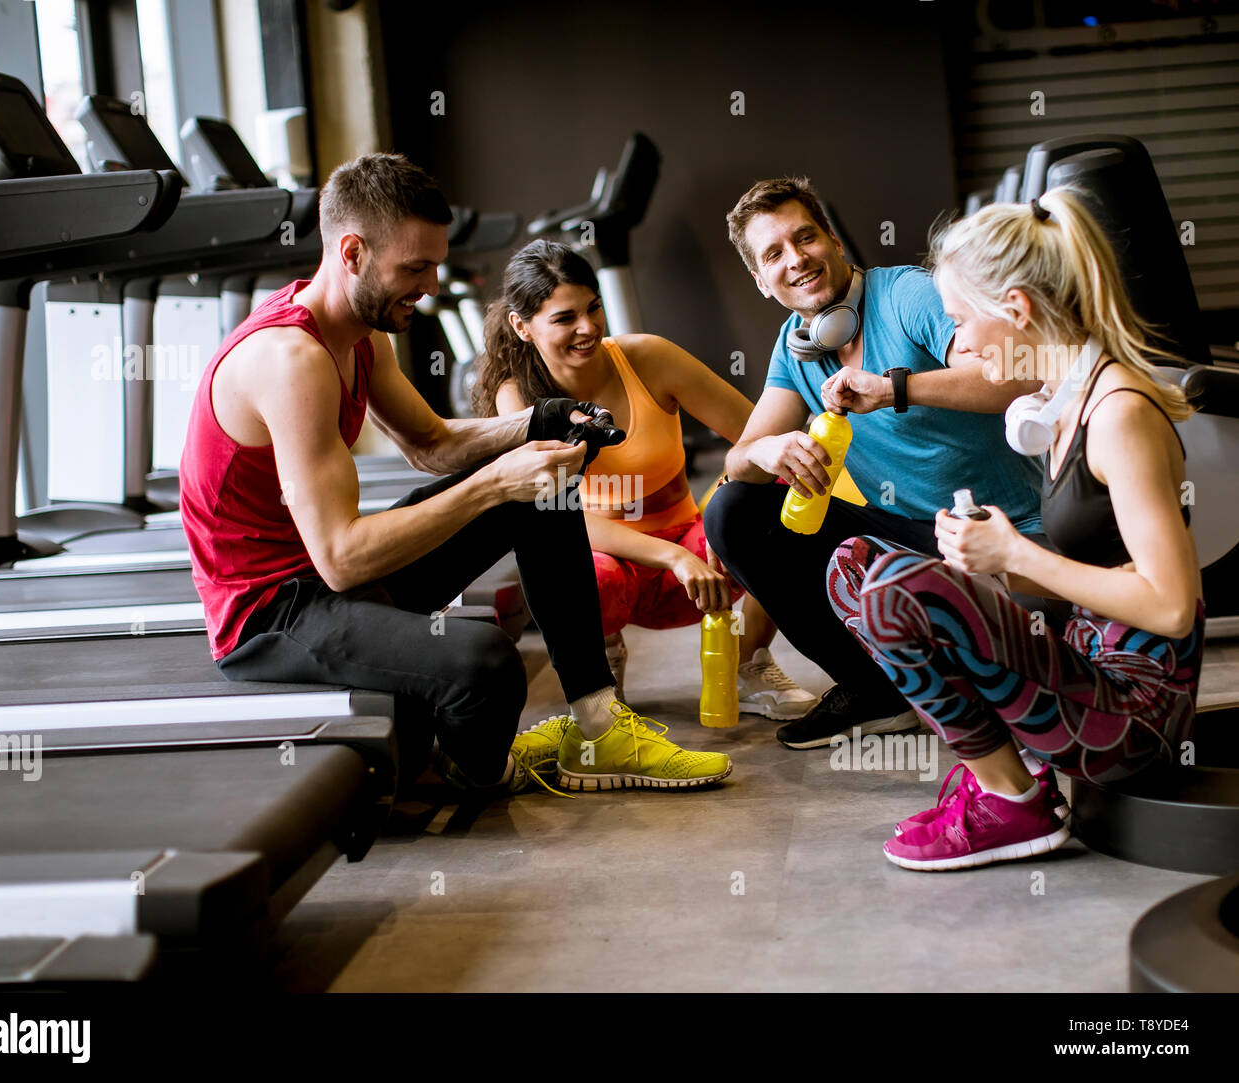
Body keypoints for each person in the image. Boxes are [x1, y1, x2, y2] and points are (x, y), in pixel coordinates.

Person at [180, 153, 731, 796]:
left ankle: (597, 724)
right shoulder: (290, 359)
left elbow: (433, 444)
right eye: (415, 268)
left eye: (434, 264)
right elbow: (342, 560)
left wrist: (539, 422)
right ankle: (472, 776)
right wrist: (497, 482)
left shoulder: (362, 336)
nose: (433, 285)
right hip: (275, 615)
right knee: (486, 666)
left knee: (543, 483)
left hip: (330, 582)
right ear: (352, 252)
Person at [831, 188, 1203, 870]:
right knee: (853, 565)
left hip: (1134, 719)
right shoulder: (1066, 407)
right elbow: (1086, 583)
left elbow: (1172, 605)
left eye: (960, 323)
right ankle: (997, 780)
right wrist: (985, 568)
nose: (960, 343)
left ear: (1017, 310)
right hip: (1087, 671)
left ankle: (1011, 804)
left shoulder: (1119, 414)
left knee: (893, 590)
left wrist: (1015, 551)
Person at [705, 176, 1048, 751]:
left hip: (999, 533)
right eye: (774, 254)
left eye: (805, 237)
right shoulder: (798, 345)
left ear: (835, 241)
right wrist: (768, 450)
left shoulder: (907, 295)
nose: (797, 259)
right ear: (761, 281)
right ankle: (874, 693)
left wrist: (895, 389)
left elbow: (1018, 376)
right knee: (734, 508)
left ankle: (972, 660)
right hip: (908, 537)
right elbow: (739, 458)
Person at [473, 239, 814, 719]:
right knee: (582, 567)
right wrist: (670, 556)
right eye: (564, 319)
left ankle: (750, 660)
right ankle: (602, 671)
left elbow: (760, 436)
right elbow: (556, 517)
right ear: (522, 327)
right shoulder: (519, 398)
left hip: (701, 562)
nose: (588, 328)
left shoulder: (649, 358)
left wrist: (720, 513)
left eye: (593, 308)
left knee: (777, 490)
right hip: (614, 573)